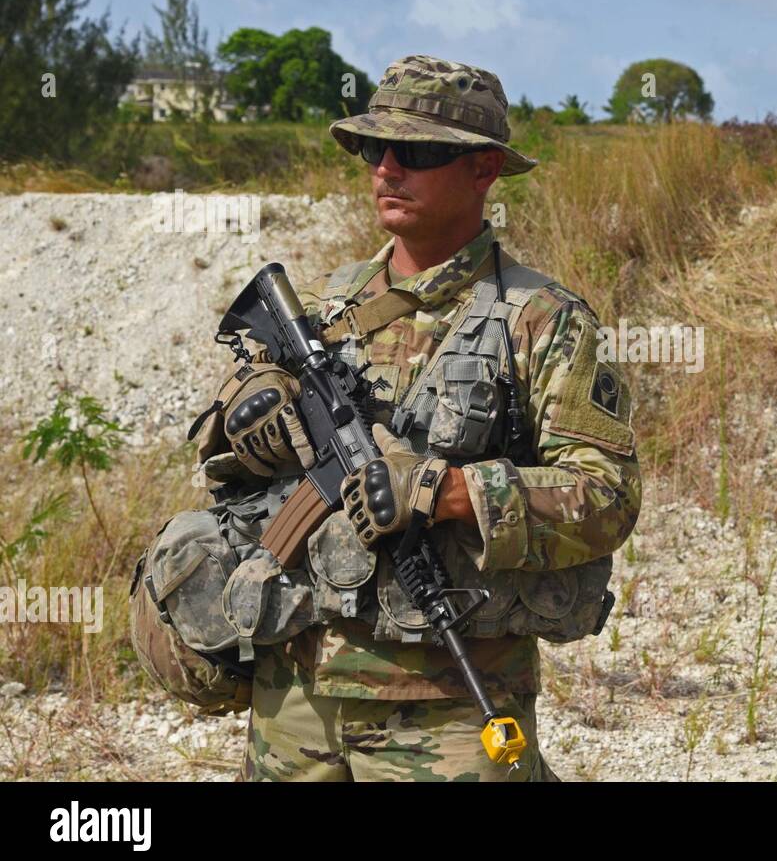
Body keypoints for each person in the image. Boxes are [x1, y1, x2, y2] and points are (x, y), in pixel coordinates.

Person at [198, 55, 641, 781]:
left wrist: (441, 492)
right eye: (377, 149)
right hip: (298, 687)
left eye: (421, 152)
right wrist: (248, 429)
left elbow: (608, 497)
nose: (388, 169)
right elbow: (227, 475)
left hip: (448, 704)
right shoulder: (323, 308)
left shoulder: (541, 320)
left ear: (484, 170)